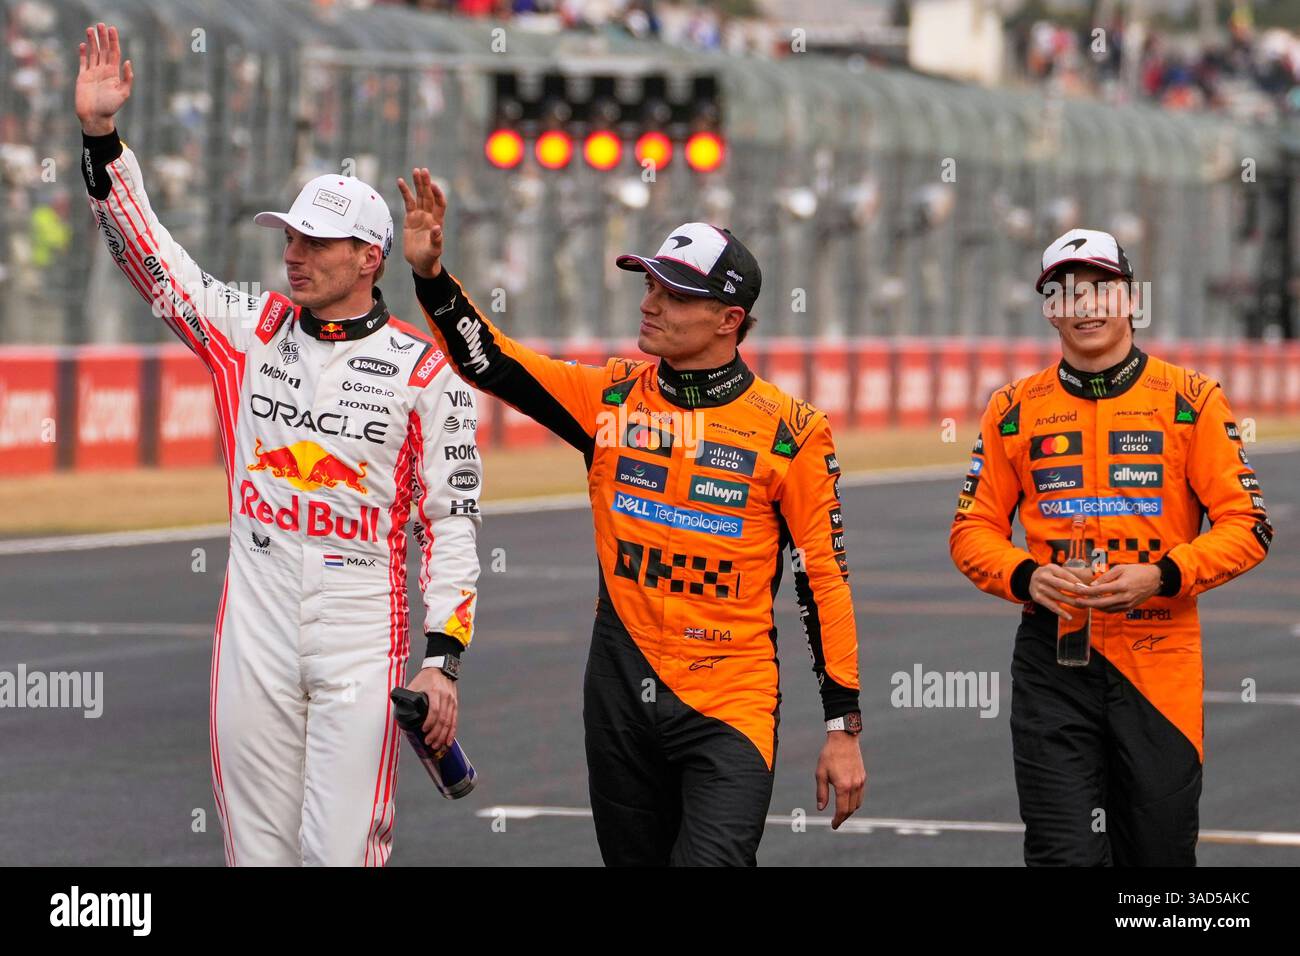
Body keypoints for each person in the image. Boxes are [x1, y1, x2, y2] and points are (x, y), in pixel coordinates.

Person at [76, 23, 481, 866]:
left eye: (315, 242)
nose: (293, 255)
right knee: (255, 852)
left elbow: (452, 524)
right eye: (288, 237)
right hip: (252, 624)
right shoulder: (248, 330)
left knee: (340, 854)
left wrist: (442, 659)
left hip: (361, 630)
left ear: (369, 257)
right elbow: (152, 260)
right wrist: (101, 140)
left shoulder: (422, 372)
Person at [398, 168, 865, 866]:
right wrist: (433, 275)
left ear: (729, 319)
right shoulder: (609, 395)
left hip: (730, 705)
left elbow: (821, 580)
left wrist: (842, 726)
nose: (649, 303)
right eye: (647, 285)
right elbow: (492, 362)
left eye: (673, 293)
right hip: (618, 697)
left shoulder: (792, 431)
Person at [949, 227, 1272, 866]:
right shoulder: (1013, 408)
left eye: (1101, 289)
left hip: (1160, 655)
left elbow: (1249, 526)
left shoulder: (1191, 399)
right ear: (1050, 309)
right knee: (1062, 854)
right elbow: (971, 530)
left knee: (1157, 859)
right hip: (1052, 657)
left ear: (1131, 299)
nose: (1085, 306)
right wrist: (1024, 576)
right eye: (1067, 292)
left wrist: (1165, 573)